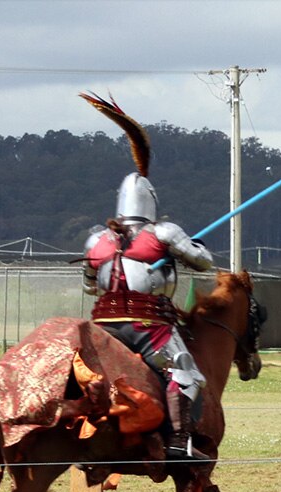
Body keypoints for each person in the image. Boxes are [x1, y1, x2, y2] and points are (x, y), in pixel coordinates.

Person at [79, 93, 214, 461]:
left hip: (103, 326)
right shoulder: (163, 232)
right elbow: (204, 263)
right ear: (151, 203)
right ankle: (177, 443)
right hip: (148, 326)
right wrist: (191, 246)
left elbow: (90, 285)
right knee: (185, 373)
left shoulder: (97, 239)